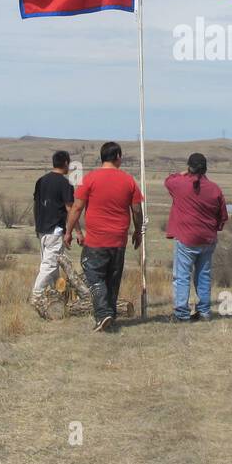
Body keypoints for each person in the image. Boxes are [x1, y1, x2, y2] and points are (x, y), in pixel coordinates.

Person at [65, 141, 144, 332]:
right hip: (118, 239)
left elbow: (76, 207)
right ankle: (110, 316)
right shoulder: (128, 180)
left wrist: (69, 231)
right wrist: (137, 231)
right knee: (112, 278)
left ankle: (103, 314)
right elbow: (136, 210)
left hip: (96, 239)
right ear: (117, 156)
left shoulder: (90, 179)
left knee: (94, 274)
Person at [164, 153, 228, 322]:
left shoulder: (180, 184)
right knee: (203, 275)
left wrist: (183, 173)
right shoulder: (215, 189)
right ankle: (205, 312)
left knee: (182, 276)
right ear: (206, 168)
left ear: (189, 167)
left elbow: (168, 181)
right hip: (207, 239)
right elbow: (222, 217)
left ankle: (182, 314)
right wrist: (213, 229)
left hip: (186, 238)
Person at [30, 150, 75, 318]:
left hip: (42, 230)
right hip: (55, 230)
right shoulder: (65, 184)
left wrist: (37, 226)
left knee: (53, 267)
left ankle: (57, 297)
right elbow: (70, 209)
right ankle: (36, 296)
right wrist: (75, 231)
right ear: (65, 163)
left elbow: (36, 205)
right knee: (49, 265)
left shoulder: (41, 181)